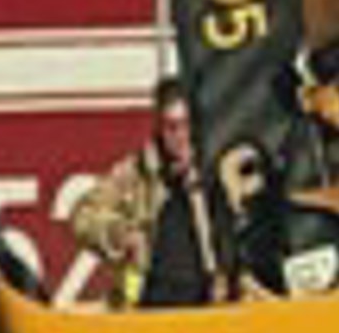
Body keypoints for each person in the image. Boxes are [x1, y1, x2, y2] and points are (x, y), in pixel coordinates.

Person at [71, 75, 238, 308]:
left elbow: (230, 243)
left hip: (202, 309)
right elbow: (82, 217)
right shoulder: (137, 174)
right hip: (147, 307)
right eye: (171, 127)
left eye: (185, 125)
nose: (179, 137)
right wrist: (120, 235)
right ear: (159, 128)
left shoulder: (210, 178)